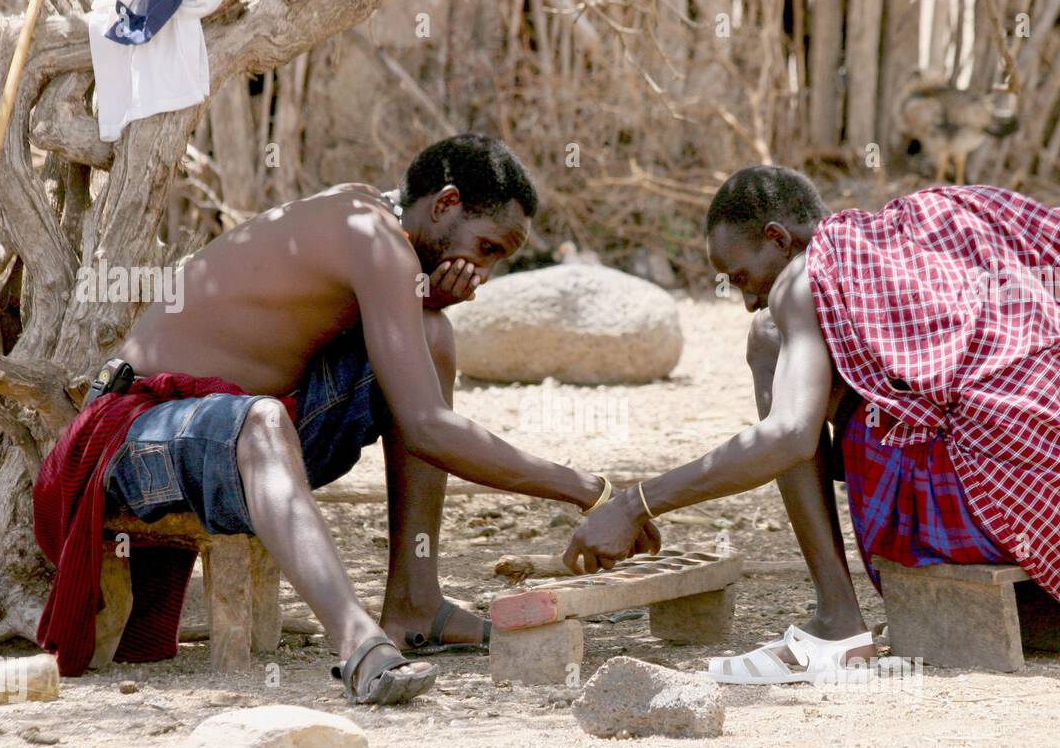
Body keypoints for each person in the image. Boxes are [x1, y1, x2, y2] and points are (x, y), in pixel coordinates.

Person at [33, 134, 659, 703]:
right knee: (264, 422)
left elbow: (404, 381)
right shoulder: (369, 233)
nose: (484, 274)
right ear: (444, 204)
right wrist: (593, 492)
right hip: (132, 437)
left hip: (227, 430)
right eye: (486, 247)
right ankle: (358, 642)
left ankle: (415, 604)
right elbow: (429, 429)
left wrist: (427, 300)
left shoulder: (378, 224)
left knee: (430, 336)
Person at [563, 167, 1060, 684]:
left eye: (741, 275)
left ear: (778, 240)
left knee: (769, 344)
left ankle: (836, 622)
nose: (747, 296)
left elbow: (790, 434)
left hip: (998, 512)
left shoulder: (802, 280)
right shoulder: (913, 236)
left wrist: (635, 503)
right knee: (859, 391)